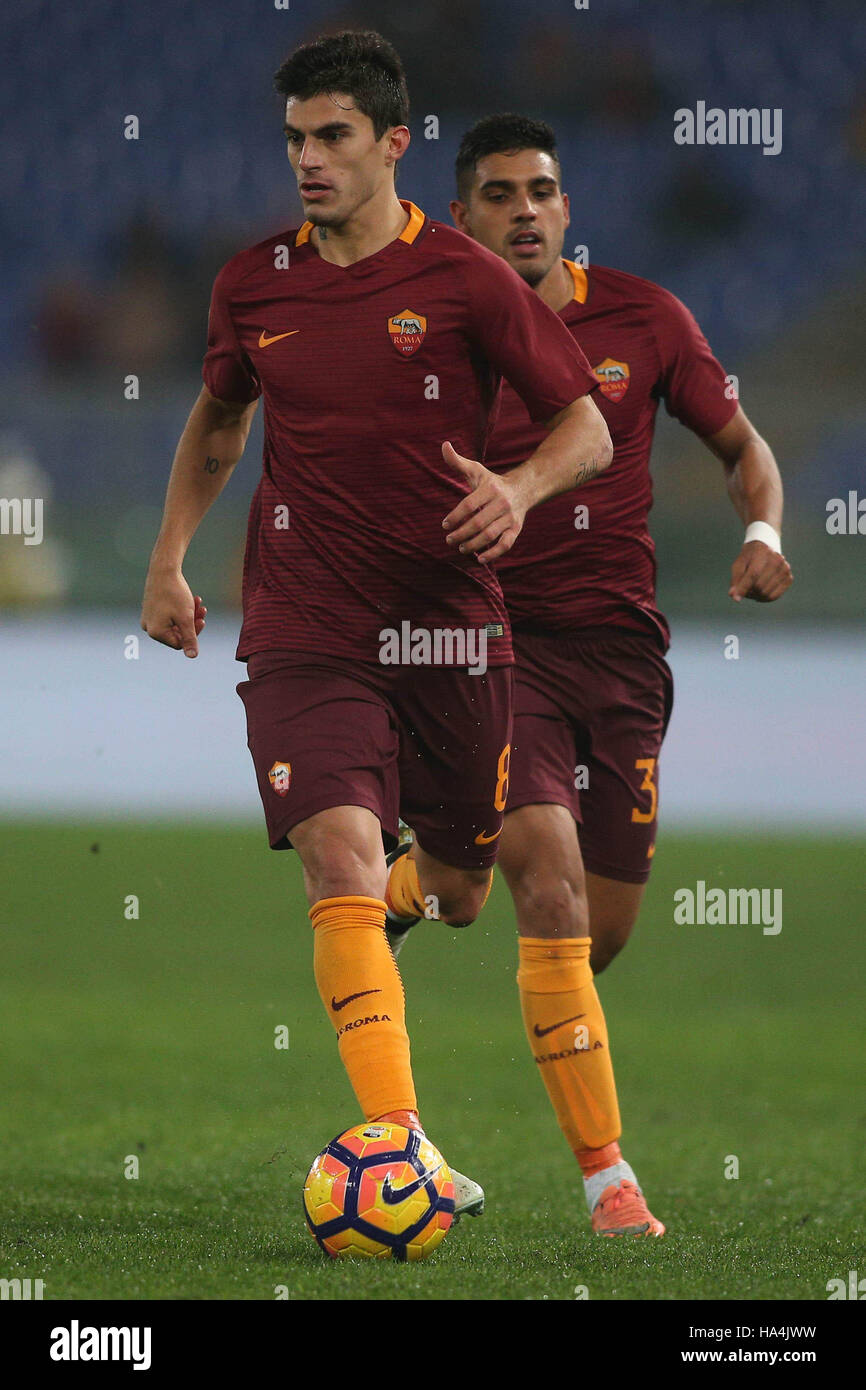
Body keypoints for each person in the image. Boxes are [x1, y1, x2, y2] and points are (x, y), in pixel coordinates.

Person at [140, 46, 611, 1220]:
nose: (307, 159)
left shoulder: (462, 279)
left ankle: (420, 893)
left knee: (458, 887)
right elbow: (217, 417)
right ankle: (397, 1147)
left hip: (450, 632)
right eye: (296, 138)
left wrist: (515, 488)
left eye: (333, 137)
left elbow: (585, 428)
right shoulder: (254, 285)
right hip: (305, 622)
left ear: (393, 143)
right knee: (335, 856)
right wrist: (167, 562)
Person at [386, 113, 791, 1236]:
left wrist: (762, 531)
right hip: (486, 643)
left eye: (542, 191)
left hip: (619, 660)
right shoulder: (421, 334)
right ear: (457, 215)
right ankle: (610, 1183)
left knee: (592, 932)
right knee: (547, 885)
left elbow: (742, 449)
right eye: (500, 193)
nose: (524, 209)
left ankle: (404, 884)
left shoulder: (645, 319)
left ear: (567, 208)